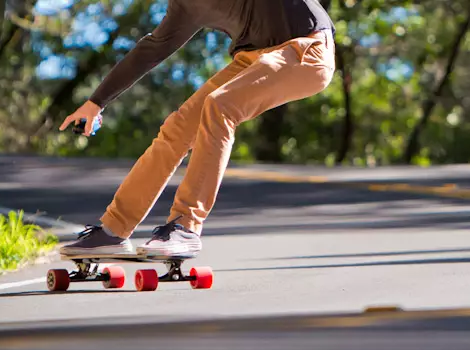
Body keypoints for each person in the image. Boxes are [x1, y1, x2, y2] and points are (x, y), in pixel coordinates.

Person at [59, 0, 336, 258]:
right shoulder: (184, 6)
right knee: (177, 128)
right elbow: (152, 47)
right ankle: (113, 231)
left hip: (305, 48)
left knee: (220, 105)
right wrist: (96, 102)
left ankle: (186, 227)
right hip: (252, 58)